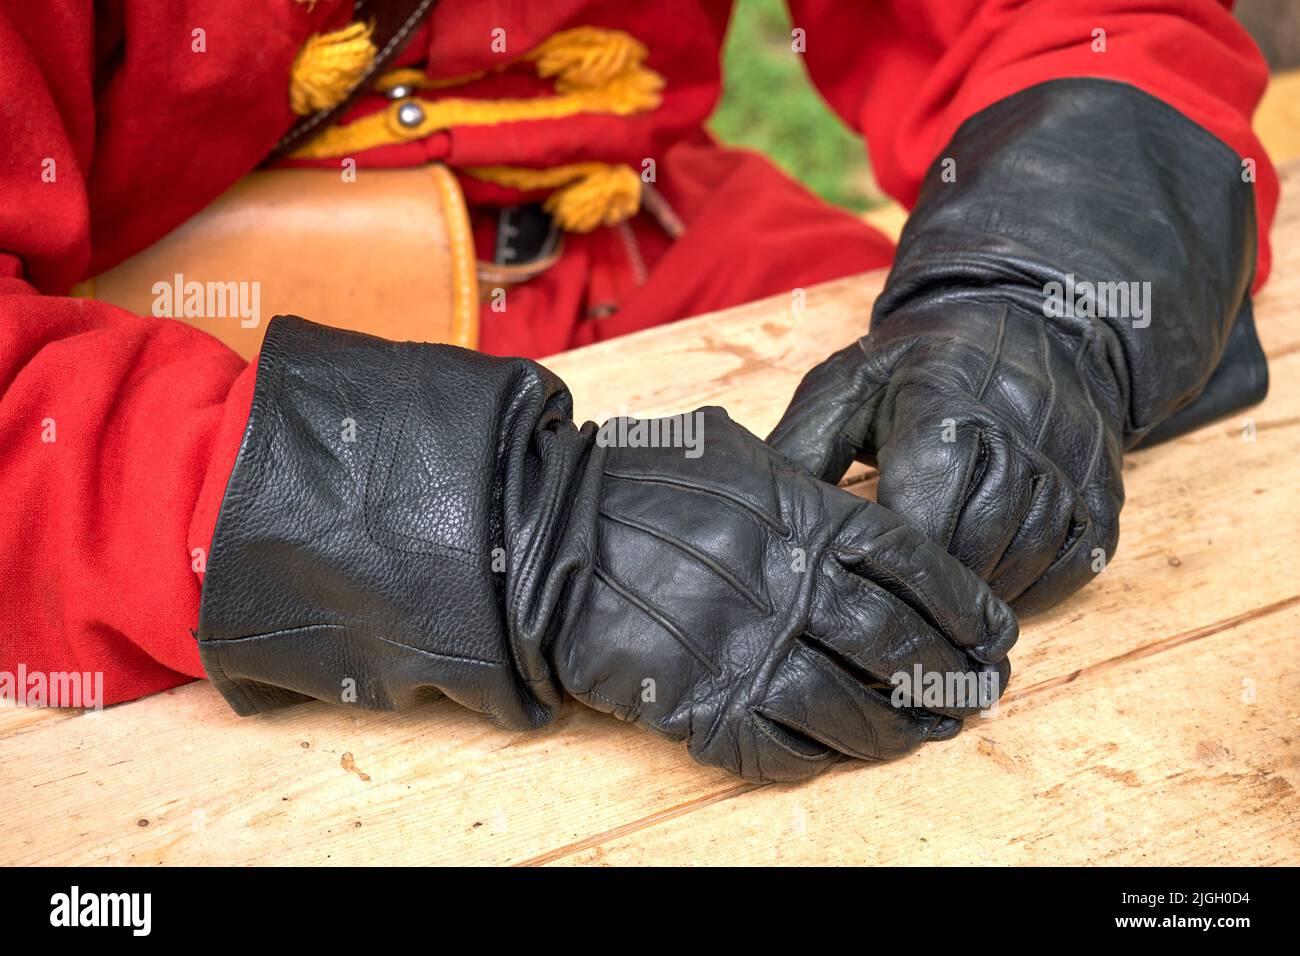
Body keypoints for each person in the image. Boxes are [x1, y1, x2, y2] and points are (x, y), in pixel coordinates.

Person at [0, 0, 1274, 781]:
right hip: (159, 410)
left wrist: (1038, 288)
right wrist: (500, 531)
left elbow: (1078, 19)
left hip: (632, 243)